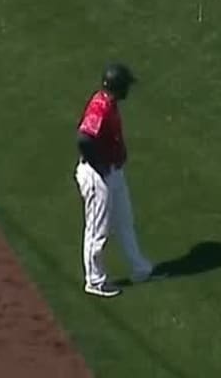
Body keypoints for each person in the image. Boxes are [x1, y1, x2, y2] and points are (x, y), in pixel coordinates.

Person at [74, 62, 157, 297]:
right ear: (118, 86)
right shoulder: (100, 107)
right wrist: (99, 165)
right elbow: (83, 139)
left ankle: (140, 268)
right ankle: (95, 281)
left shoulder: (109, 103)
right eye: (126, 85)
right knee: (97, 230)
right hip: (98, 176)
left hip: (112, 172)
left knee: (124, 221)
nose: (128, 89)